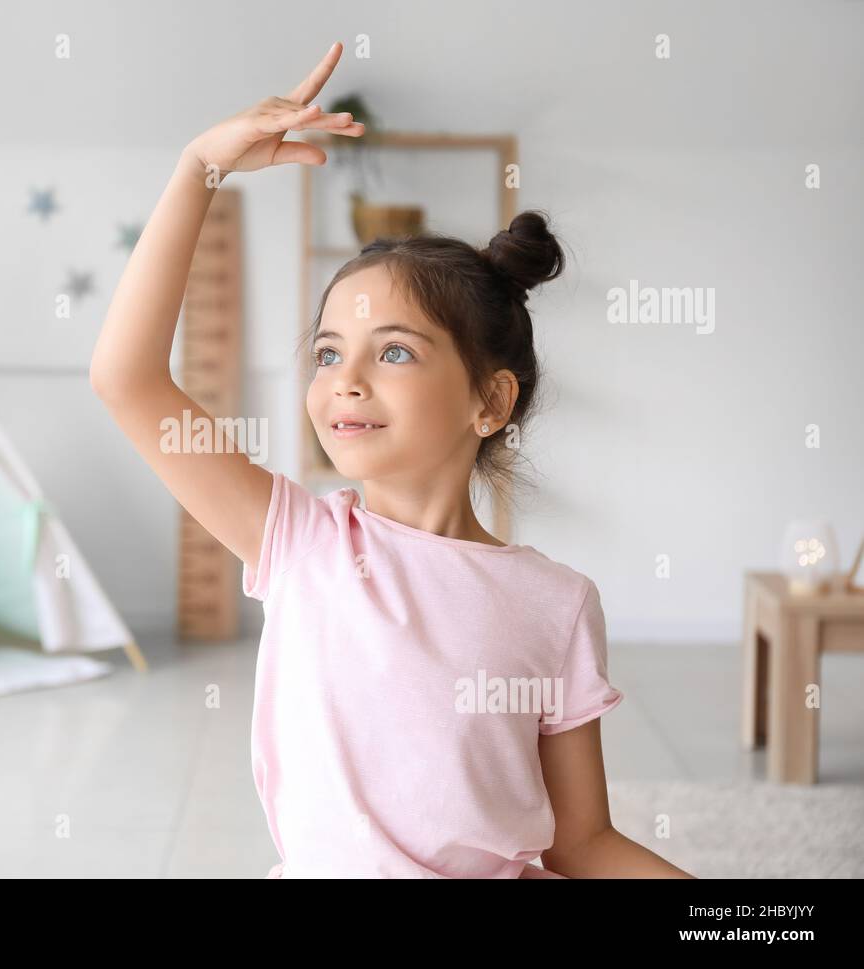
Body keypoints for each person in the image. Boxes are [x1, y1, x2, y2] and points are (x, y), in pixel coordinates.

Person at [90, 41, 693, 879]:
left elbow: (582, 842)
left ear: (491, 401)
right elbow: (127, 380)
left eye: (396, 353)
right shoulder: (298, 542)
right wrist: (201, 168)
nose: (347, 381)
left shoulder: (557, 604)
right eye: (329, 353)